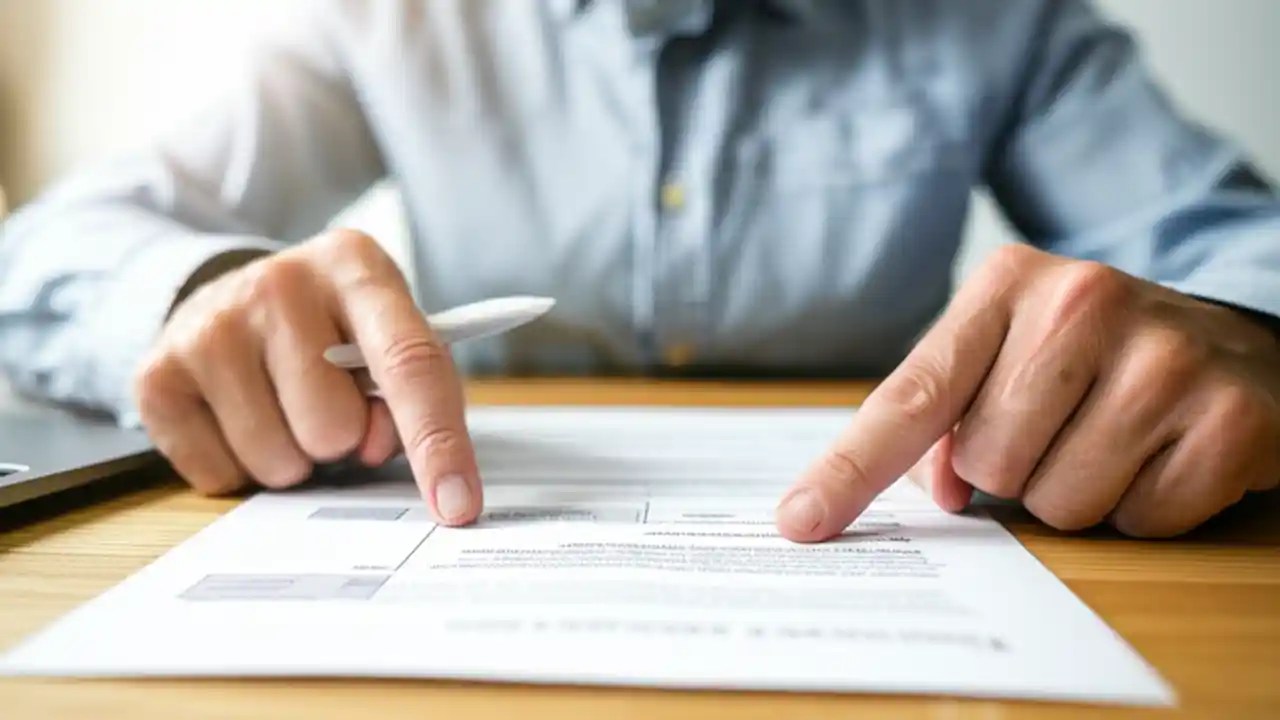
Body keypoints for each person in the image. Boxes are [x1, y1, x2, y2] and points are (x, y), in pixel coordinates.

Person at [1, 0, 1277, 541]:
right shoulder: (386, 19)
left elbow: (1236, 248)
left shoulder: (994, 19)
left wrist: (1238, 327)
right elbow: (50, 249)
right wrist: (203, 297)